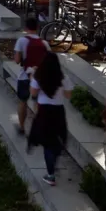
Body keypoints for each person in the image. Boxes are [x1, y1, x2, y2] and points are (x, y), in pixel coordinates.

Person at [29, 52, 72, 186]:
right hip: (58, 111)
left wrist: (32, 77)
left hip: (44, 111)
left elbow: (33, 93)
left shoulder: (38, 76)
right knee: (57, 138)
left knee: (47, 143)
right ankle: (55, 161)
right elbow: (68, 95)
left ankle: (51, 174)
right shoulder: (63, 77)